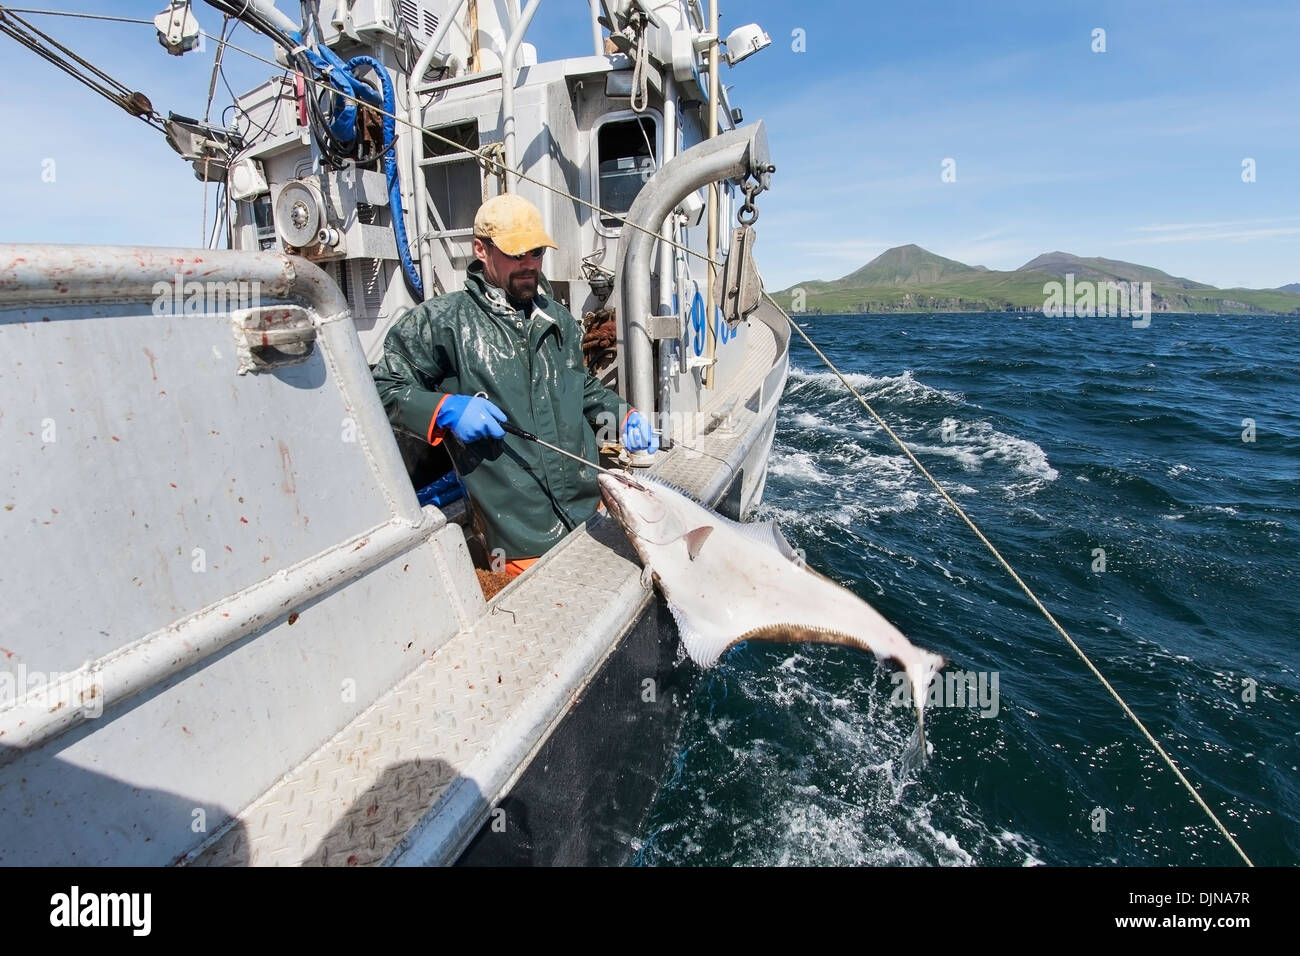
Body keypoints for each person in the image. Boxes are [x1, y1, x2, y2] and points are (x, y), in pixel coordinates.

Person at [373, 193, 657, 577]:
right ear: (481, 249)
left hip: (591, 509)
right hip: (518, 537)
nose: (529, 265)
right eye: (515, 253)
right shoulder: (441, 321)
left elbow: (584, 391)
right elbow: (382, 389)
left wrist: (624, 416)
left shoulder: (558, 318)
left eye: (536, 252)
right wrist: (445, 410)